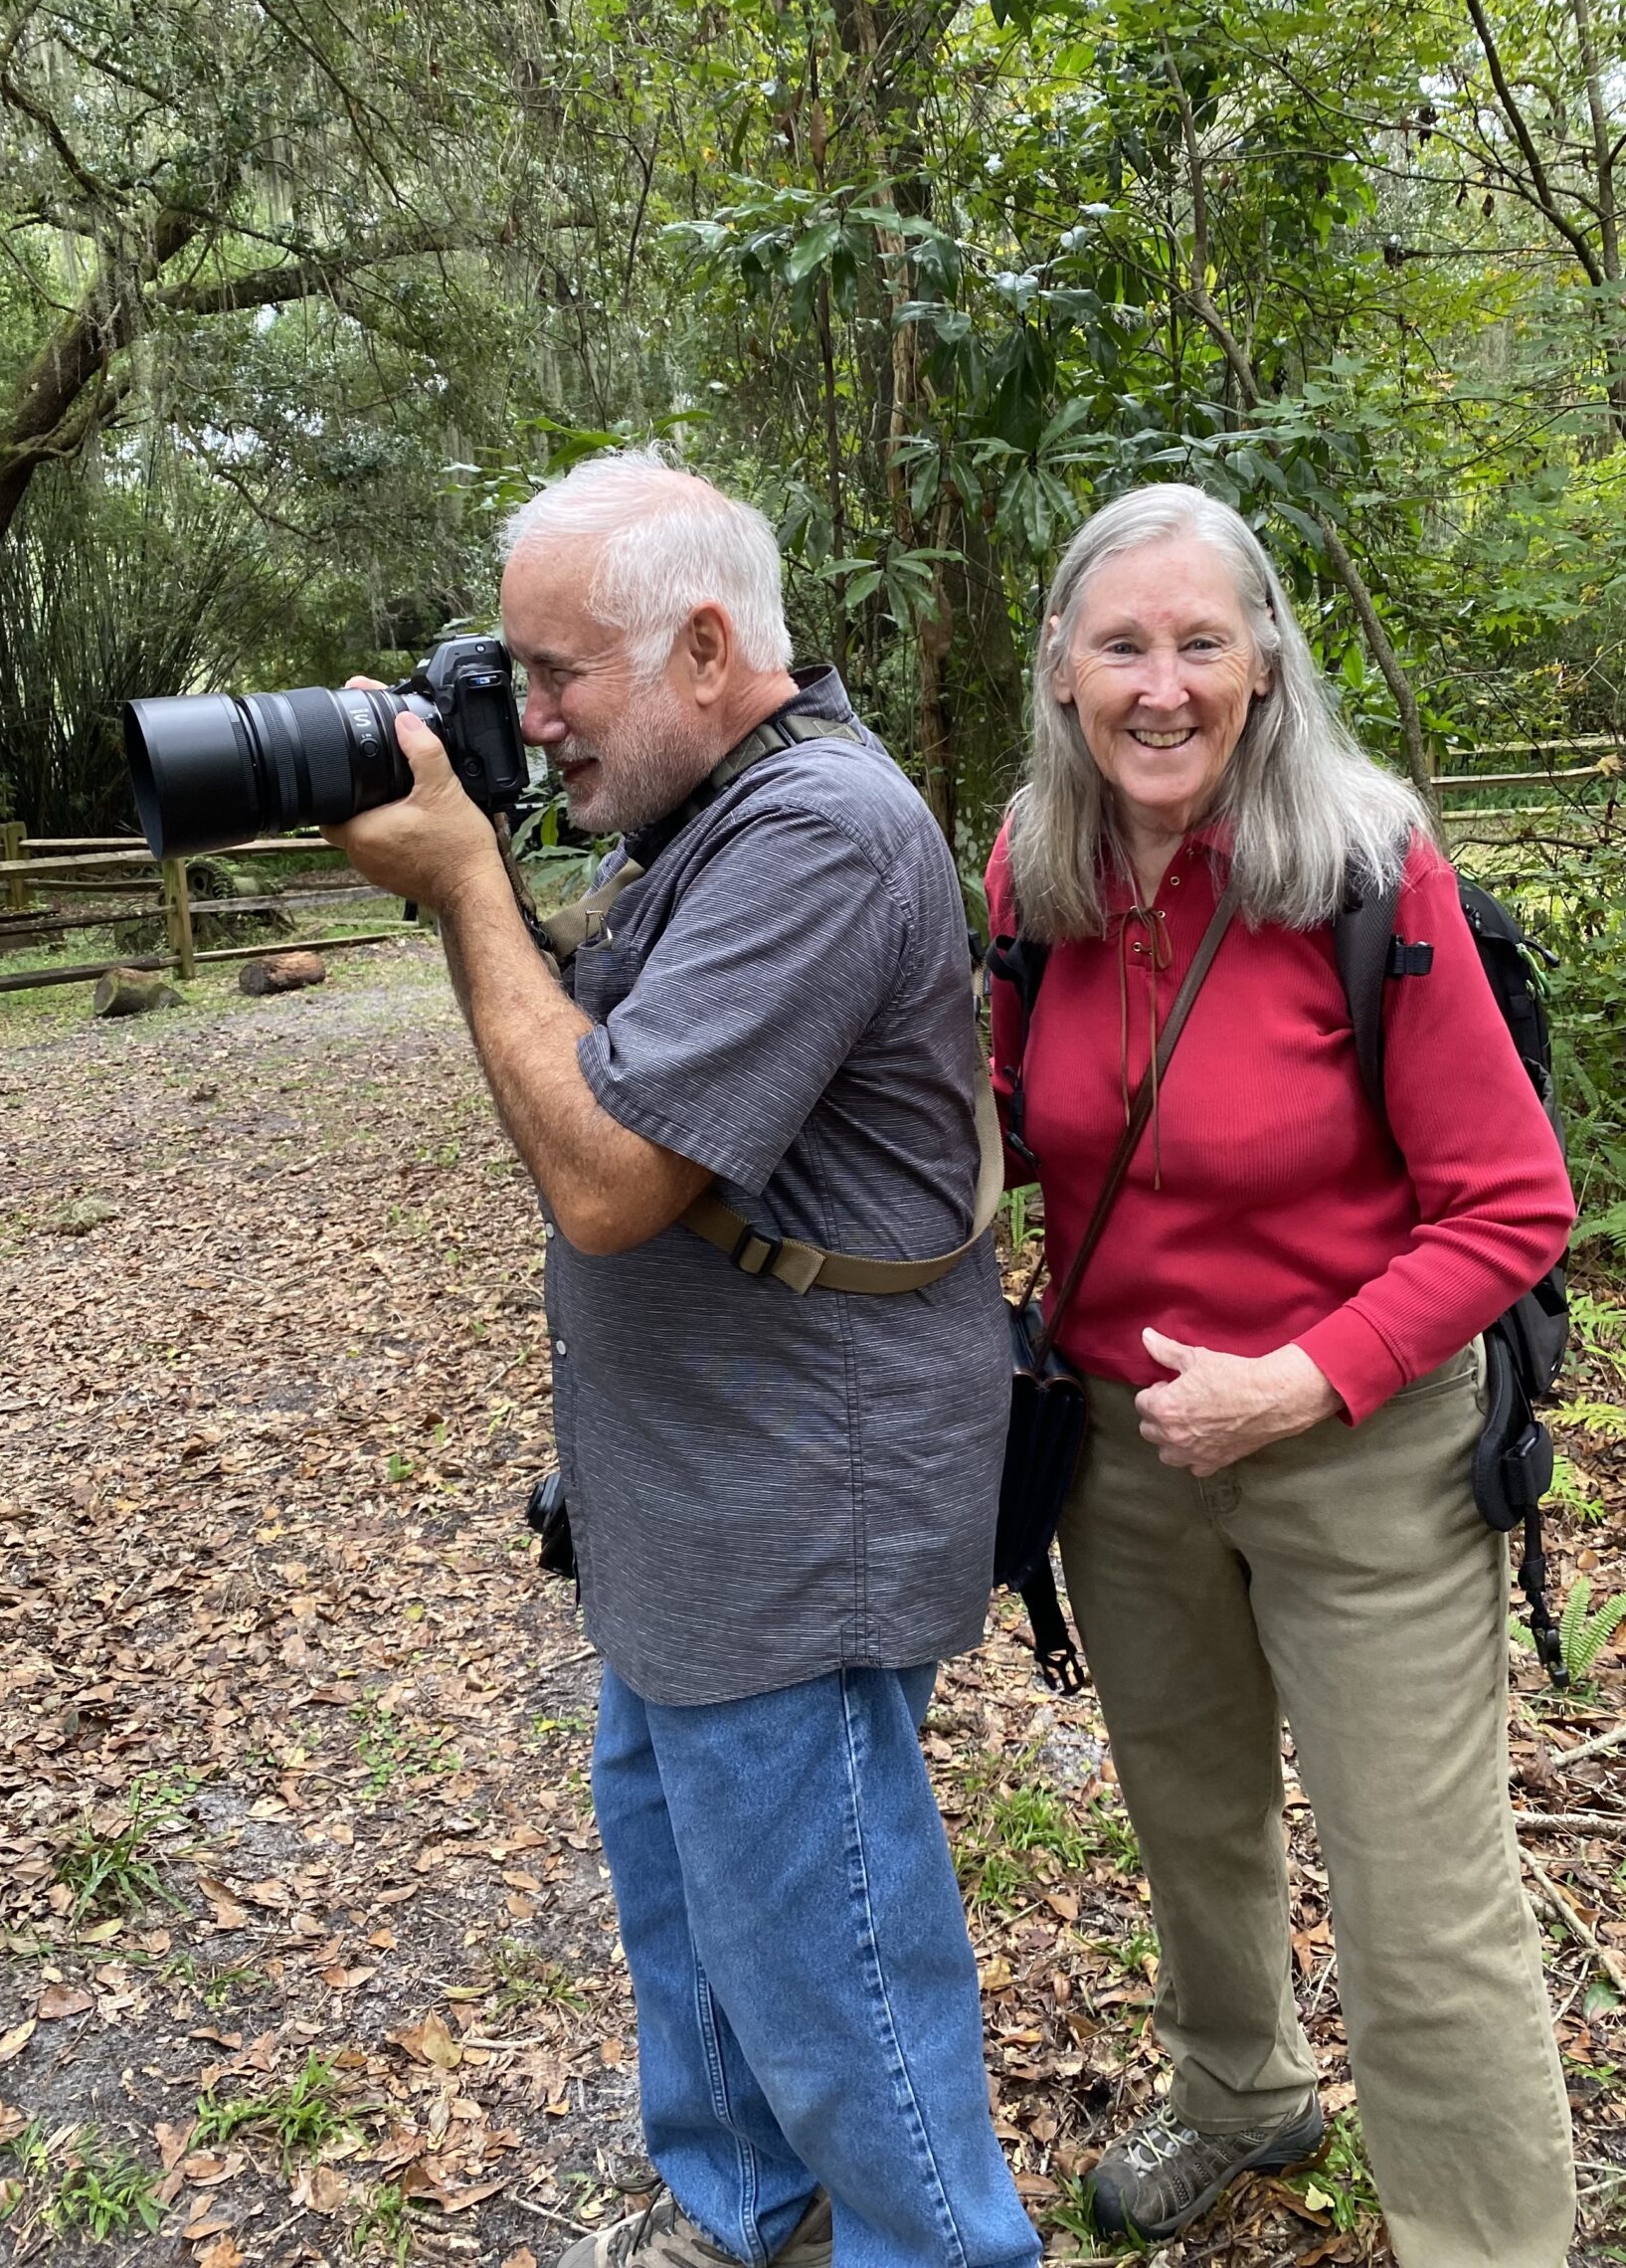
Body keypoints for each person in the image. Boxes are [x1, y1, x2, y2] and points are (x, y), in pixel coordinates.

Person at [329, 449, 1038, 2268]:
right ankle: (755, 2211)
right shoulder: (703, 819)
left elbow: (608, 1175)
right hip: (690, 1489)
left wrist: (468, 888)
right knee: (686, 1874)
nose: (532, 714)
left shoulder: (818, 833)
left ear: (706, 647)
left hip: (799, 1502)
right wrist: (475, 854)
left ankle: (935, 2249)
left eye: (557, 674)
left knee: (828, 1947)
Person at [985, 484, 1576, 2268]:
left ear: (1260, 665)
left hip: (1367, 1455)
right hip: (1121, 1450)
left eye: (1198, 642)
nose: (1158, 686)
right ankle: (1242, 2091)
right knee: (1189, 1812)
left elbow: (1512, 1205)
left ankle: (1486, 2240)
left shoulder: (1365, 867)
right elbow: (1004, 1133)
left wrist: (1300, 1382)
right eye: (1120, 646)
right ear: (1065, 674)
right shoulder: (1036, 867)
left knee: (1422, 1898)